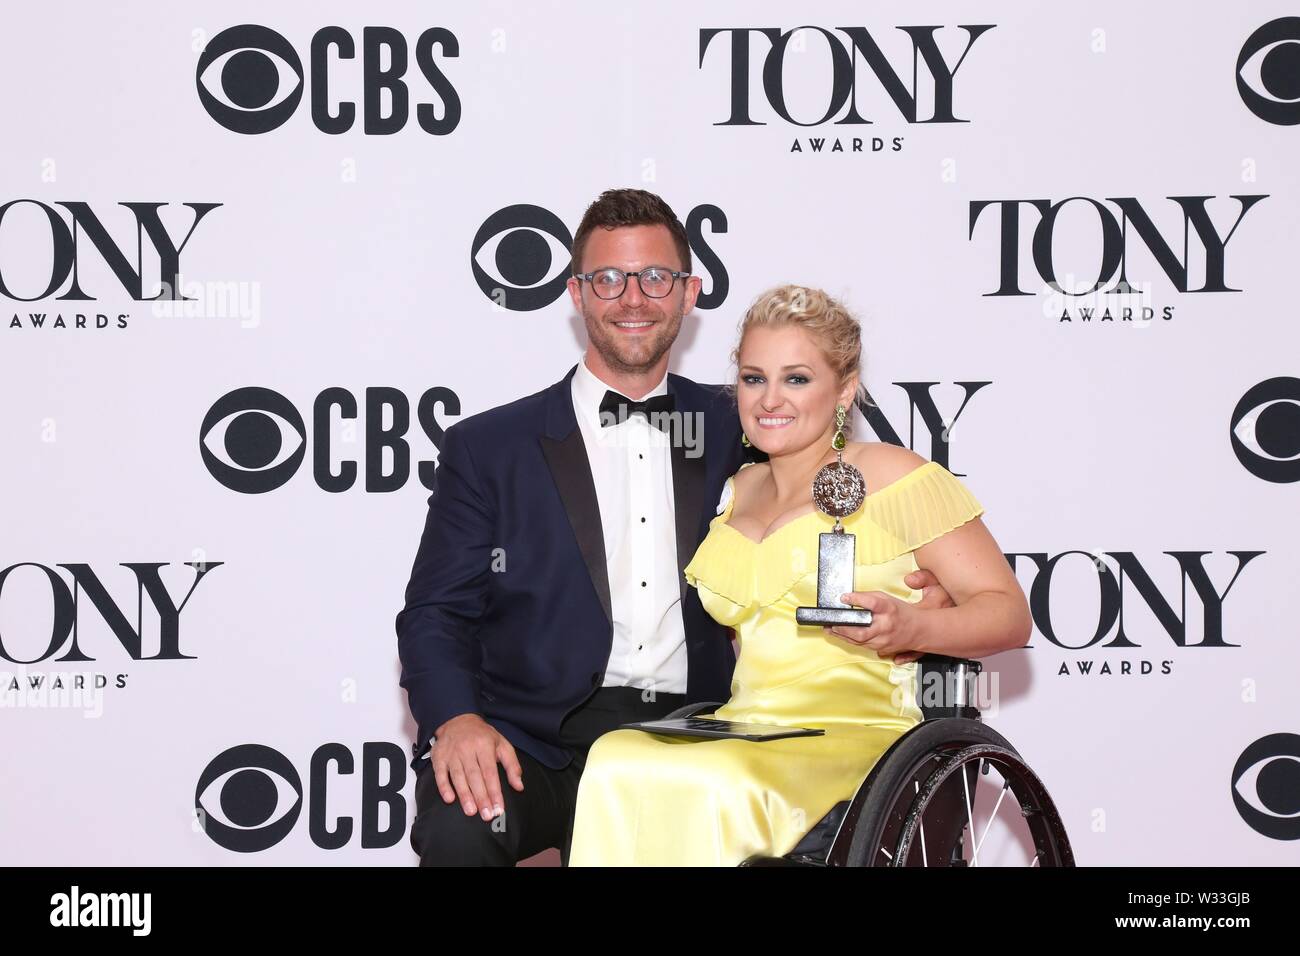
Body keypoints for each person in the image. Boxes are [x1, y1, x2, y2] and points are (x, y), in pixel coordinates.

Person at [397, 191, 954, 866]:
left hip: (694, 737)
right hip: (530, 743)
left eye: (656, 277)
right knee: (460, 830)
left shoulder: (748, 422)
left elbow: (847, 497)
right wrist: (455, 721)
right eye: (608, 279)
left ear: (689, 293)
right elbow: (434, 612)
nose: (634, 298)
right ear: (577, 293)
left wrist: (925, 595)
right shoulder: (490, 447)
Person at [567, 284, 1032, 866]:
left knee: (724, 780)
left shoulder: (896, 475)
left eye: (796, 378)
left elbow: (1009, 614)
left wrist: (913, 628)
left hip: (862, 735)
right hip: (743, 725)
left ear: (845, 390)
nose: (769, 399)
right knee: (616, 756)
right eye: (754, 377)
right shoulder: (735, 491)